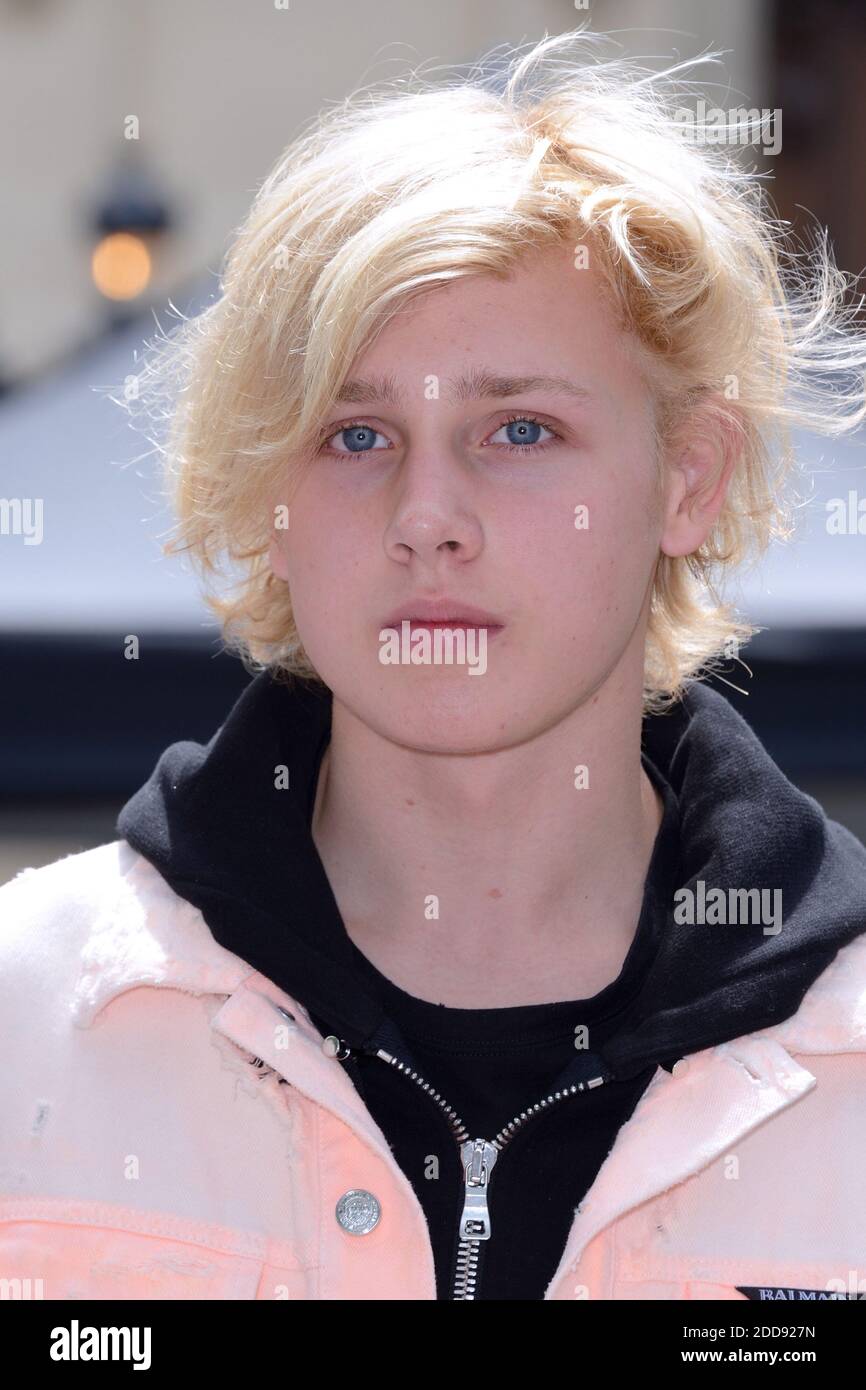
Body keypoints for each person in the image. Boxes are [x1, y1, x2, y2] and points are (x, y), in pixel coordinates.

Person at [3, 28, 866, 1303]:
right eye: (355, 433)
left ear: (687, 477)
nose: (426, 513)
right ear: (269, 491)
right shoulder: (27, 1015)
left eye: (519, 428)